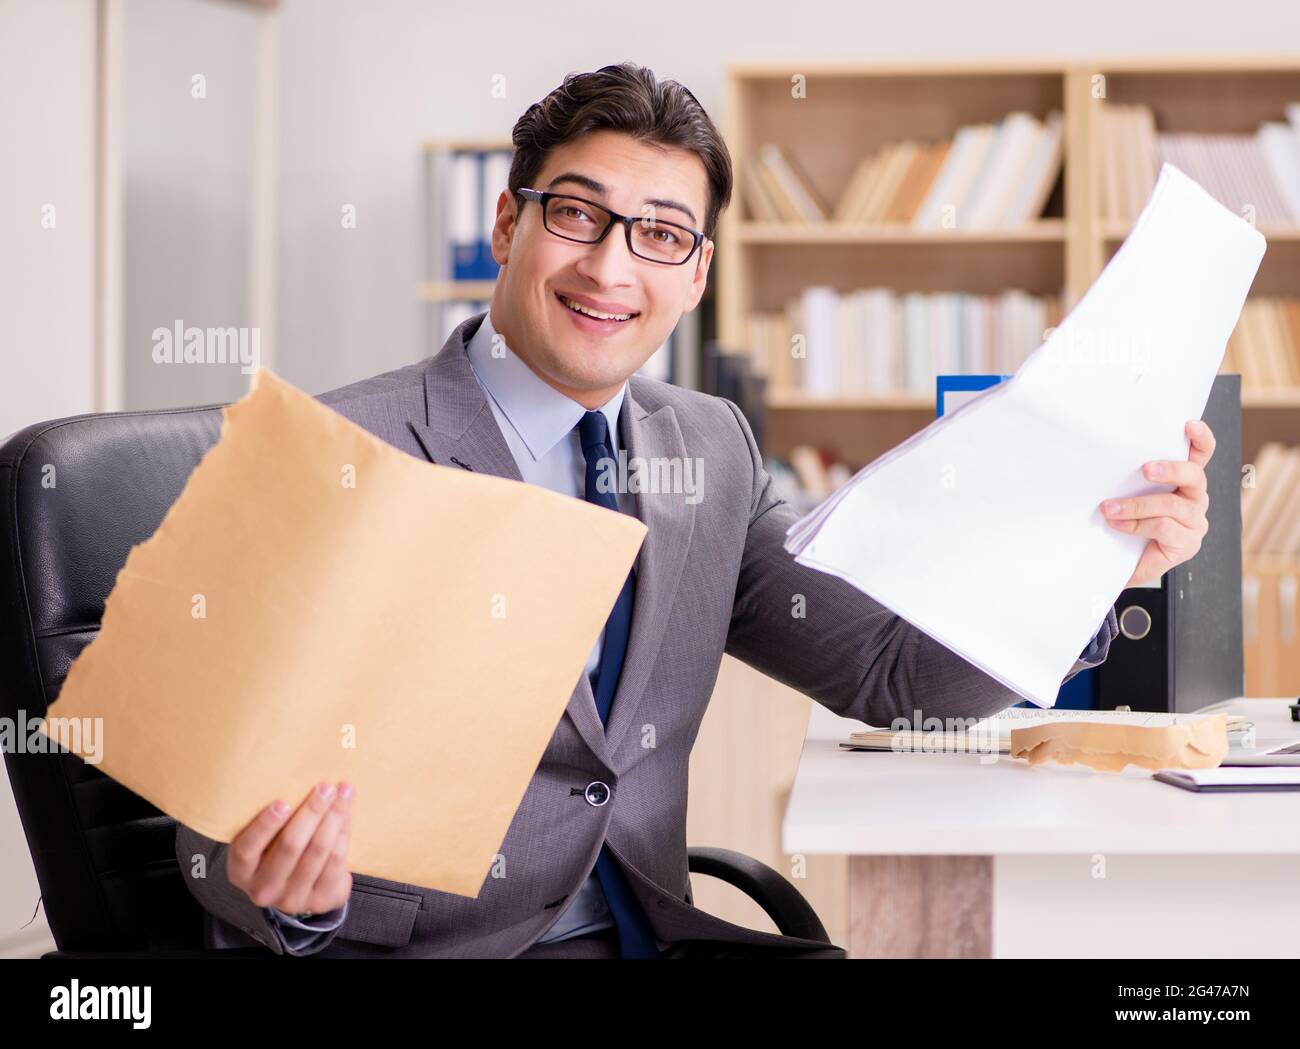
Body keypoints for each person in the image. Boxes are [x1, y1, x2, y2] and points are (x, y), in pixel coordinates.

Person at [176, 63, 1215, 960]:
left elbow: (891, 676)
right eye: (576, 214)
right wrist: (288, 899)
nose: (610, 266)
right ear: (508, 222)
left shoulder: (706, 448)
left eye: (661, 235)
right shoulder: (339, 455)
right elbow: (189, 819)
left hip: (651, 931)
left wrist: (1101, 561)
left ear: (697, 273)